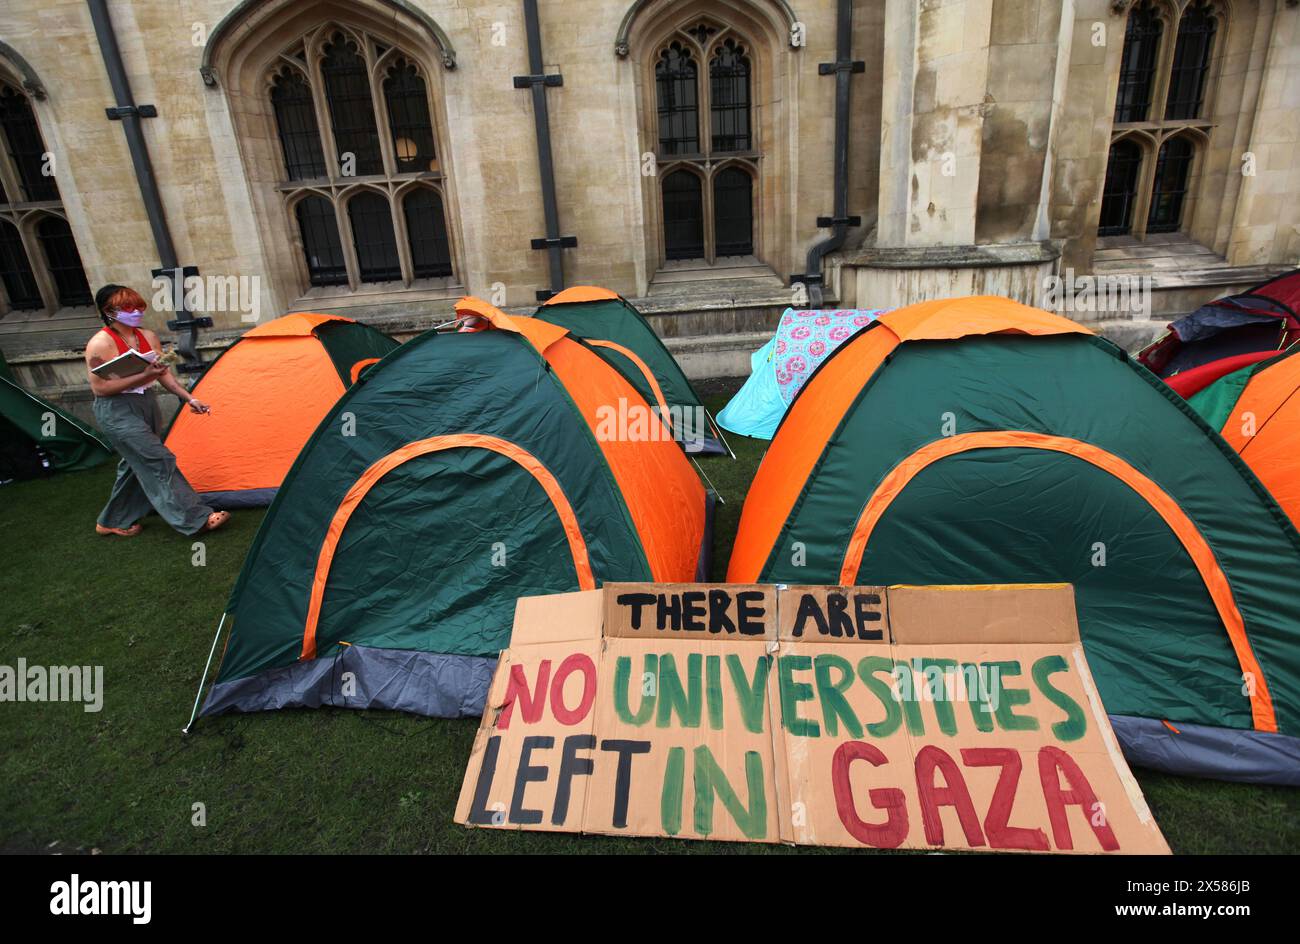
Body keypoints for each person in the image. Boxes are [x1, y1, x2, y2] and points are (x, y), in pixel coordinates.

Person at [83, 284, 229, 537]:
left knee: (134, 464)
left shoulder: (147, 336)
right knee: (158, 459)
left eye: (139, 306)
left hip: (145, 403)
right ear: (110, 311)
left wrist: (188, 398)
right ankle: (197, 518)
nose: (136, 311)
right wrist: (144, 376)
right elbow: (101, 389)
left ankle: (111, 520)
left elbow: (163, 373)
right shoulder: (99, 344)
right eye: (128, 307)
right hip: (116, 410)